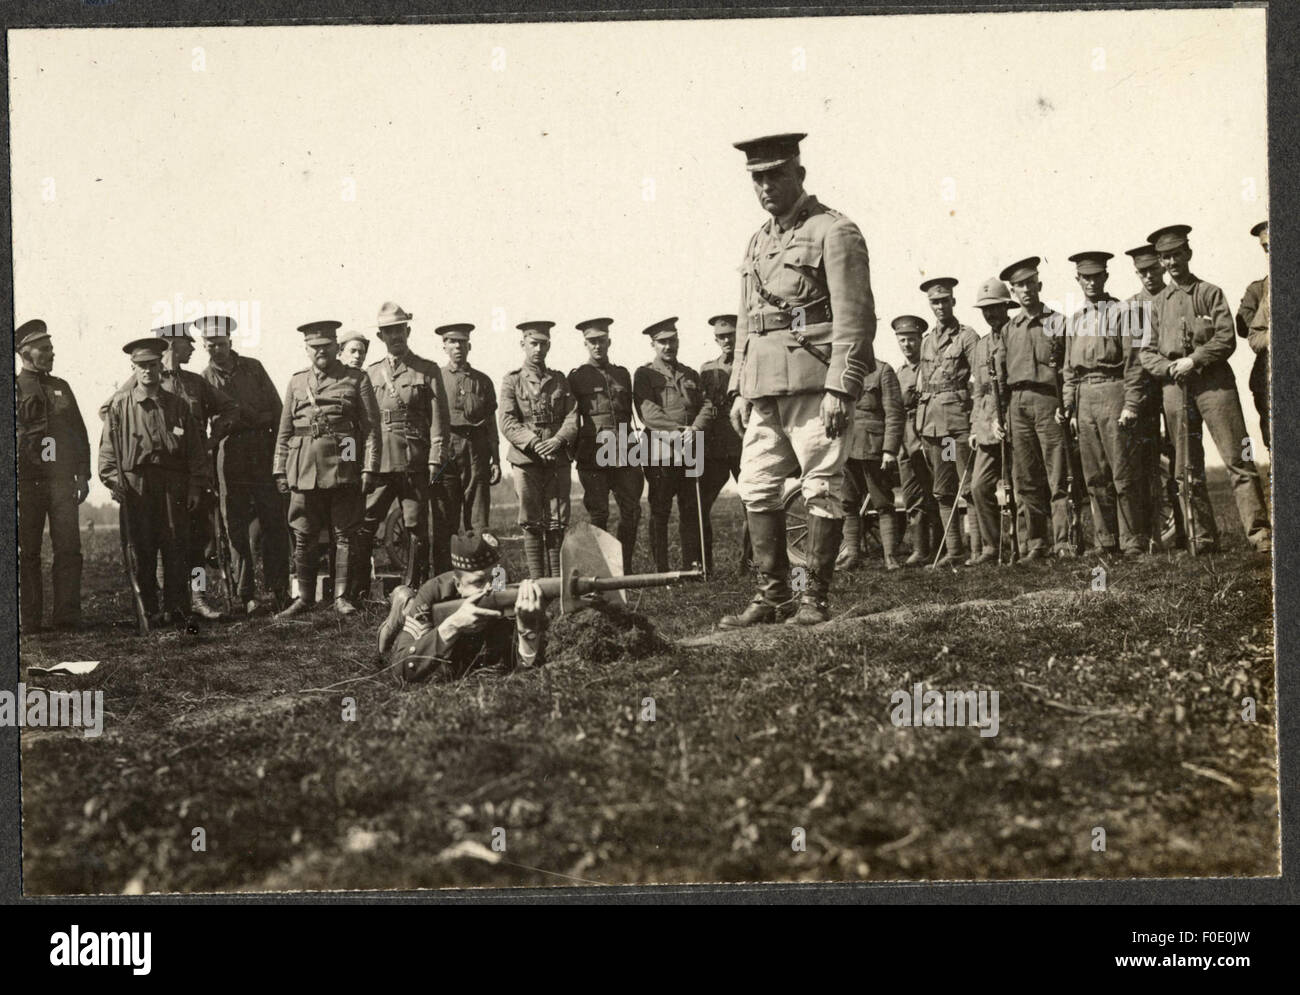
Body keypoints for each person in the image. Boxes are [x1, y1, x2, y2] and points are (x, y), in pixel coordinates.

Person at [720, 132, 876, 627]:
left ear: (799, 175)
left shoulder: (835, 230)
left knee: (821, 488)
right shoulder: (757, 240)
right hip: (764, 388)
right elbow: (748, 319)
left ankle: (813, 599)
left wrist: (840, 387)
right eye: (757, 178)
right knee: (757, 487)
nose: (765, 186)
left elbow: (856, 317)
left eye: (775, 175)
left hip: (815, 383)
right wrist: (741, 387)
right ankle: (774, 596)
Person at [1138, 224, 1271, 554]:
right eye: (1165, 258)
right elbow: (1146, 352)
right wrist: (1169, 367)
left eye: (1177, 255)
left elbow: (1226, 339)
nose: (1171, 263)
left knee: (1238, 460)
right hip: (1175, 388)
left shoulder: (1210, 293)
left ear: (1189, 254)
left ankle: (1260, 536)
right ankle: (1202, 539)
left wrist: (1194, 360)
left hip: (1214, 385)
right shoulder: (1157, 305)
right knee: (1186, 468)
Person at [102, 322, 242, 618]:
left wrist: (211, 441)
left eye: (152, 364)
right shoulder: (129, 392)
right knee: (149, 545)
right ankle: (154, 609)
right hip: (142, 480)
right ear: (171, 345)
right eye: (187, 343)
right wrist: (119, 477)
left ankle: (198, 599)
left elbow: (228, 410)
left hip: (184, 478)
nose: (192, 347)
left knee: (197, 545)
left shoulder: (194, 383)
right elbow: (110, 425)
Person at [274, 320, 382, 616]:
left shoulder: (356, 379)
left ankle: (342, 597)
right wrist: (280, 470)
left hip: (343, 465)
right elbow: (285, 432)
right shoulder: (296, 382)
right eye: (314, 347)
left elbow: (371, 429)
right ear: (306, 349)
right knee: (304, 533)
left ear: (336, 347)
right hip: (303, 466)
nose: (321, 351)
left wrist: (368, 469)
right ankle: (305, 598)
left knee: (344, 533)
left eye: (326, 346)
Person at [99, 337, 207, 626]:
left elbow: (195, 451)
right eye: (141, 366)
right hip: (137, 485)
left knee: (176, 545)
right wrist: (112, 481)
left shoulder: (178, 405)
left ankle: (178, 609)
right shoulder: (120, 407)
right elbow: (108, 452)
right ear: (133, 368)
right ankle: (148, 610)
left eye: (152, 365)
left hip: (174, 483)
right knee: (142, 549)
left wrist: (195, 485)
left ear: (161, 366)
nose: (147, 371)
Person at [198, 314, 292, 614]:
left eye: (221, 344)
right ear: (203, 345)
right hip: (229, 454)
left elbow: (277, 411)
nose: (217, 350)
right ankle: (246, 593)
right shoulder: (204, 379)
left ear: (230, 342)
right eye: (210, 345)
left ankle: (278, 589)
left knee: (273, 520)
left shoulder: (253, 368)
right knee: (234, 526)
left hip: (261, 449)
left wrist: (278, 454)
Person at [354, 302, 447, 598]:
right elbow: (362, 423)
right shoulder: (369, 374)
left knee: (416, 525)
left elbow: (439, 421)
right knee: (366, 523)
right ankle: (358, 591)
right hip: (379, 461)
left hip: (413, 460)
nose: (395, 336)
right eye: (388, 332)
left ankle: (416, 588)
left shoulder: (427, 370)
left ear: (408, 331)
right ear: (381, 337)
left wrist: (435, 458)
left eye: (399, 330)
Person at [1060, 251, 1150, 556]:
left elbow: (1134, 363)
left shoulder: (1124, 312)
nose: (1091, 282)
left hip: (1114, 391)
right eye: (1085, 277)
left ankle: (1132, 540)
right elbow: (1069, 371)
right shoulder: (1075, 321)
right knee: (1094, 476)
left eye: (1097, 276)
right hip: (1084, 398)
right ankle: (1106, 540)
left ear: (1105, 278)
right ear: (1078, 280)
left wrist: (1131, 403)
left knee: (1122, 472)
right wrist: (1070, 407)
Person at [379, 530, 548, 684]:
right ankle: (404, 604)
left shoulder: (506, 592)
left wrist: (527, 631)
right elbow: (400, 671)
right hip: (422, 612)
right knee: (389, 648)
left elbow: (528, 670)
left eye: (497, 576)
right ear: (458, 585)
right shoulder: (434, 594)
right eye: (479, 582)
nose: (491, 588)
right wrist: (452, 626)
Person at [16, 319, 90, 632]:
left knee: (69, 549)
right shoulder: (14, 388)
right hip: (26, 484)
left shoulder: (61, 387)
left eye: (51, 347)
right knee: (27, 552)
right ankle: (29, 620)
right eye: (44, 349)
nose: (51, 353)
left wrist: (83, 473)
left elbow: (78, 431)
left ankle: (67, 616)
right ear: (24, 352)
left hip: (61, 483)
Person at [999, 256, 1070, 559]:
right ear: (1012, 292)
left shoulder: (1058, 322)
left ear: (1039, 285)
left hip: (1048, 401)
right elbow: (1000, 378)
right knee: (1025, 477)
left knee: (1057, 473)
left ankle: (1064, 541)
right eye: (1019, 286)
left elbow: (1068, 369)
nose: (1026, 289)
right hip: (1017, 405)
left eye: (1030, 283)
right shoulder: (1008, 329)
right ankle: (1036, 542)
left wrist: (1065, 405)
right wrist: (1000, 415)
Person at [498, 321, 579, 579]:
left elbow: (572, 417)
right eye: (533, 343)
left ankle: (556, 581)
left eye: (543, 344)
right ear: (523, 344)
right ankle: (537, 580)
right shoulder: (512, 381)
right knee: (531, 520)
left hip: (556, 458)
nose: (538, 349)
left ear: (549, 345)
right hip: (526, 460)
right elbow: (507, 421)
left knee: (557, 520)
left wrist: (557, 441)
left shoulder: (560, 380)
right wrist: (534, 443)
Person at [633, 317, 714, 572]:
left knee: (691, 508)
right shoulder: (645, 374)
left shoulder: (690, 374)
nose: (669, 346)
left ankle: (694, 565)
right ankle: (662, 569)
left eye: (672, 340)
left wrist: (696, 429)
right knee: (660, 510)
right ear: (653, 345)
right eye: (663, 342)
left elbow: (708, 405)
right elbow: (648, 413)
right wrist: (680, 432)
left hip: (692, 447)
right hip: (660, 450)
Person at [568, 317, 643, 571]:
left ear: (609, 341)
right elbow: (571, 417)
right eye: (592, 342)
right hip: (594, 452)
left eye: (601, 341)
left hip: (624, 449)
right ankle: (601, 569)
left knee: (631, 511)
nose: (597, 346)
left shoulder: (622, 374)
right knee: (599, 514)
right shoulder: (577, 377)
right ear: (585, 344)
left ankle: (625, 567)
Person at [915, 277, 980, 568]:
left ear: (953, 301)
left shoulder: (967, 337)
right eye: (934, 302)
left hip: (957, 425)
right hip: (933, 427)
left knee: (968, 486)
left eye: (944, 300)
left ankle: (979, 551)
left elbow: (980, 379)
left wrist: (979, 419)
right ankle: (954, 551)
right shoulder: (927, 341)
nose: (940, 306)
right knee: (943, 489)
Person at [1124, 244, 1183, 551]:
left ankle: (1188, 531)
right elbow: (1133, 359)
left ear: (1162, 267)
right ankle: (1153, 535)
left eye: (1153, 270)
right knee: (1148, 466)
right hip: (1147, 393)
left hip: (1177, 387)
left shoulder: (1177, 297)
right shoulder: (1132, 306)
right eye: (1142, 272)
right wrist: (1133, 400)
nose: (1148, 276)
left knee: (1182, 458)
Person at [433, 322, 501, 571]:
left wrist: (496, 459)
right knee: (445, 521)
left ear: (469, 346)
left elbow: (491, 423)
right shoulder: (436, 378)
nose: (457, 347)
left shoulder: (483, 381)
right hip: (446, 451)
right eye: (452, 342)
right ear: (444, 346)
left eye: (462, 342)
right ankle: (444, 582)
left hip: (477, 450)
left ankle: (487, 581)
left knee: (479, 522)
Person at [967, 279, 1017, 565]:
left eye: (995, 308)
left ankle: (1027, 544)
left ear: (1005, 306)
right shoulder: (981, 346)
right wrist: (976, 426)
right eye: (985, 309)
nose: (990, 314)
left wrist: (1006, 418)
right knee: (978, 487)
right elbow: (978, 391)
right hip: (987, 427)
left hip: (1014, 420)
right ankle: (992, 545)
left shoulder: (1015, 335)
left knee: (1020, 487)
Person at [698, 314, 752, 570]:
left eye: (731, 335)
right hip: (716, 449)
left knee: (752, 502)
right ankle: (705, 564)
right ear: (715, 340)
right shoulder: (706, 370)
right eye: (722, 337)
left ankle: (749, 560)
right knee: (701, 504)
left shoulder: (750, 364)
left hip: (744, 444)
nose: (727, 340)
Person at [892, 316, 941, 566]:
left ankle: (941, 546)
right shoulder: (897, 374)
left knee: (938, 489)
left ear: (921, 340)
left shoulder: (928, 369)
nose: (907, 344)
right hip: (906, 439)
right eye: (902, 340)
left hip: (930, 433)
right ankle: (920, 549)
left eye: (912, 339)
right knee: (912, 494)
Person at [1235, 221, 1270, 449]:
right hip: (1267, 375)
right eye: (1266, 247)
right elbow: (1245, 326)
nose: (1270, 251)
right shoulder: (1258, 290)